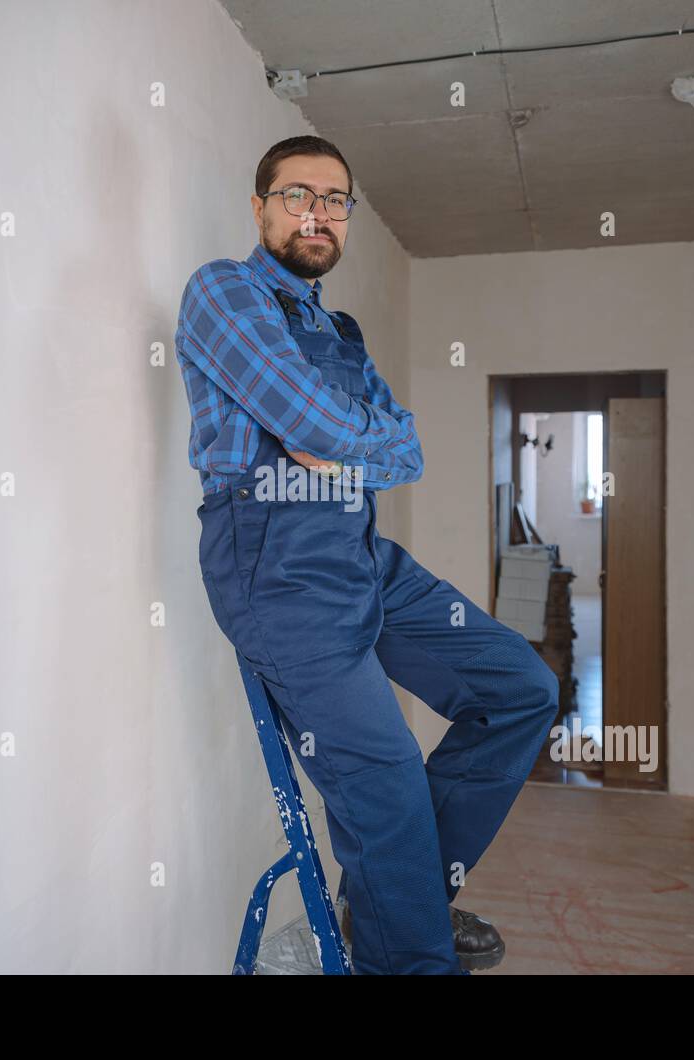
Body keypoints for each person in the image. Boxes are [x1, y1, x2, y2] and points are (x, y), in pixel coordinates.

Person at [174, 135, 559, 975]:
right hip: (274, 561)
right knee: (384, 784)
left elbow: (408, 449)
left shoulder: (338, 328)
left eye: (335, 199)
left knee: (520, 688)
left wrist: (346, 447)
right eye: (296, 195)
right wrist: (356, 442)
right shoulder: (223, 291)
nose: (318, 213)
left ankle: (404, 897)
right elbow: (311, 422)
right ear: (259, 207)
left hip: (358, 546)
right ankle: (411, 954)